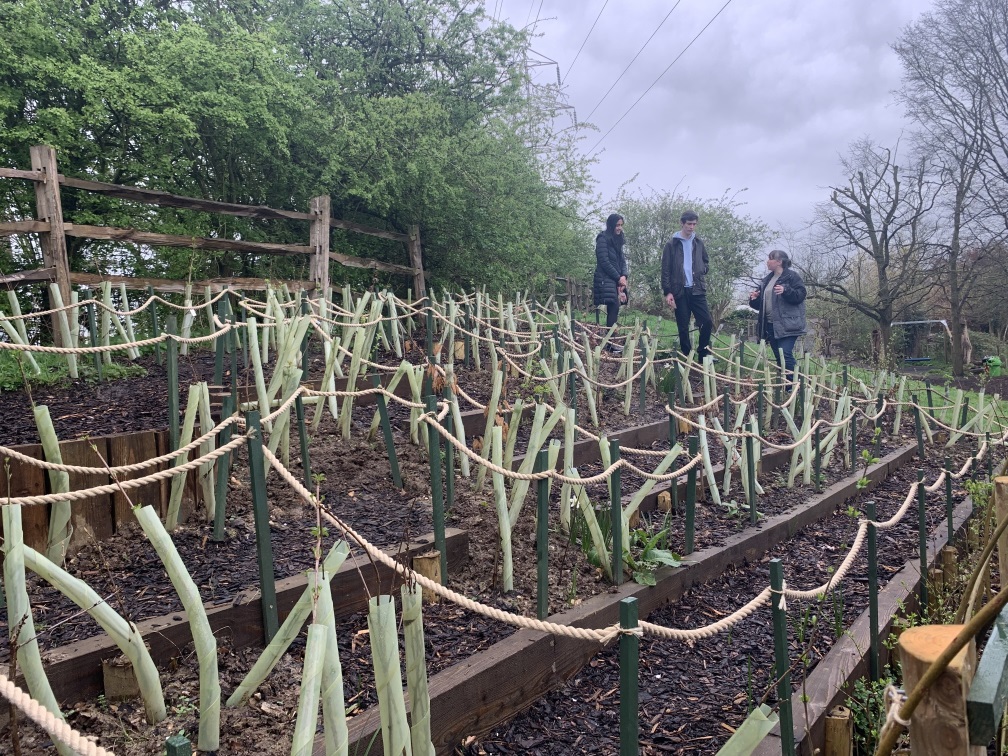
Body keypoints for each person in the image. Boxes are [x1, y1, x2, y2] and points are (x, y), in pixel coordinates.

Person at [661, 210, 713, 360]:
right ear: (682, 223)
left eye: (694, 224)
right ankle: (686, 355)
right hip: (679, 290)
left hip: (697, 289)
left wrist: (702, 269)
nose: (692, 227)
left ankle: (703, 353)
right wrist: (668, 292)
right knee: (683, 326)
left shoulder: (699, 242)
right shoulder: (671, 244)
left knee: (707, 322)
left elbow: (706, 262)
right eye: (689, 224)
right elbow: (665, 270)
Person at [748, 249, 807, 380]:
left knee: (785, 353)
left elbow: (800, 295)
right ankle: (786, 386)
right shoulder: (767, 280)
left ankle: (795, 385)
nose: (767, 262)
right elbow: (760, 306)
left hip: (789, 324)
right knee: (779, 357)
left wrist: (786, 290)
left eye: (770, 259)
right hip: (770, 325)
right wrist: (754, 298)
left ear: (779, 262)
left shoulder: (792, 277)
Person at [593, 213, 628, 343]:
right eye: (617, 225)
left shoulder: (618, 240)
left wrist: (624, 275)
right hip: (605, 279)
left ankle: (610, 340)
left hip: (617, 279)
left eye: (621, 225)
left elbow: (622, 260)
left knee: (615, 307)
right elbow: (604, 261)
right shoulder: (603, 239)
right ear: (611, 225)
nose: (619, 228)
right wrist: (618, 277)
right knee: (613, 304)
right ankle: (609, 341)